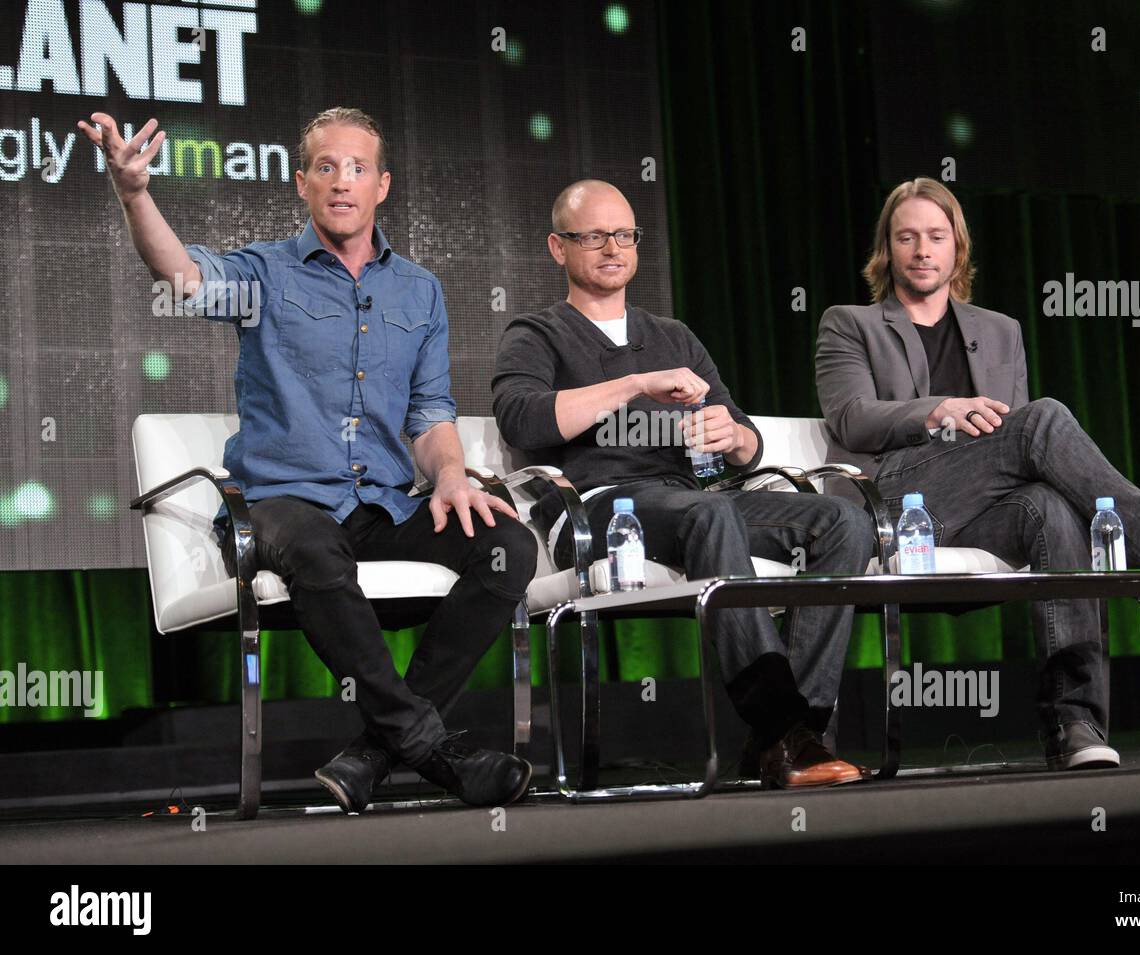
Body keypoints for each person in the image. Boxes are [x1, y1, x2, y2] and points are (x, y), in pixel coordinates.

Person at [78, 107, 537, 811]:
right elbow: (185, 277)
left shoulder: (420, 290)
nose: (342, 182)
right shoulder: (264, 274)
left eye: (358, 168)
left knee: (505, 543)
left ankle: (377, 751)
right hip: (286, 502)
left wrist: (449, 473)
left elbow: (430, 411)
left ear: (382, 185)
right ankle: (433, 748)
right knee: (317, 548)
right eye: (326, 167)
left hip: (383, 501)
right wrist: (135, 193)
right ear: (302, 183)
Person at [815, 176, 1140, 769]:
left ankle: (1074, 725)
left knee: (1051, 506)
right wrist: (937, 410)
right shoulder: (848, 323)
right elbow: (852, 419)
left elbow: (1015, 457)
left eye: (936, 236)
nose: (922, 250)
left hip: (978, 504)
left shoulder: (999, 330)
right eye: (907, 238)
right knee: (1043, 422)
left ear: (957, 246)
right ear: (888, 248)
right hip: (893, 504)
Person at [493, 179, 876, 788]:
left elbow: (745, 442)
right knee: (709, 515)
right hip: (598, 513)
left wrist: (736, 437)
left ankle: (795, 732)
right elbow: (523, 417)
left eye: (624, 235)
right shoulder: (536, 334)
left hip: (694, 500)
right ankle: (784, 731)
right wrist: (635, 385)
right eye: (592, 236)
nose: (612, 247)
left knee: (843, 523)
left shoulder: (672, 335)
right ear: (556, 247)